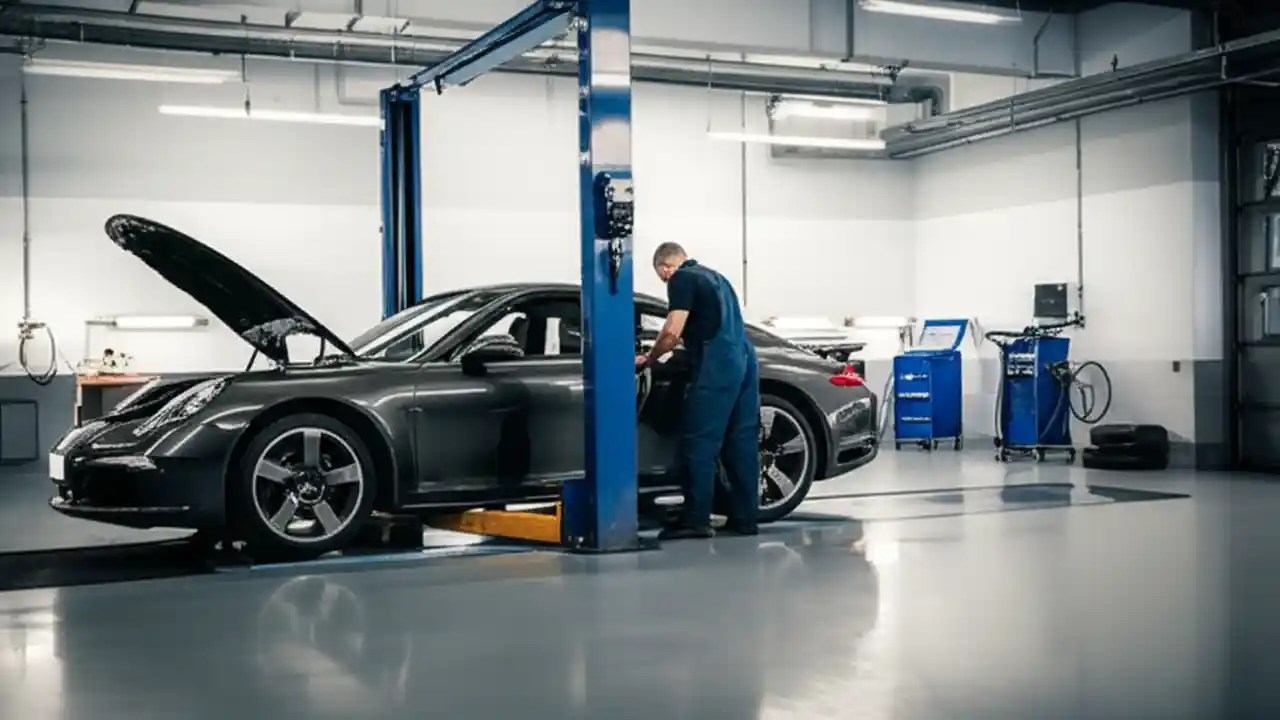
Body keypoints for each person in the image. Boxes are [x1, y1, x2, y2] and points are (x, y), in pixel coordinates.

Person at [637, 242, 760, 539]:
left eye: (662, 277)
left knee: (699, 440)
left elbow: (671, 331)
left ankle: (696, 520)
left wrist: (649, 358)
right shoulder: (716, 278)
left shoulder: (681, 279)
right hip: (744, 358)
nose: (667, 282)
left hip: (717, 363)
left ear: (665, 268)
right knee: (740, 440)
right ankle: (745, 518)